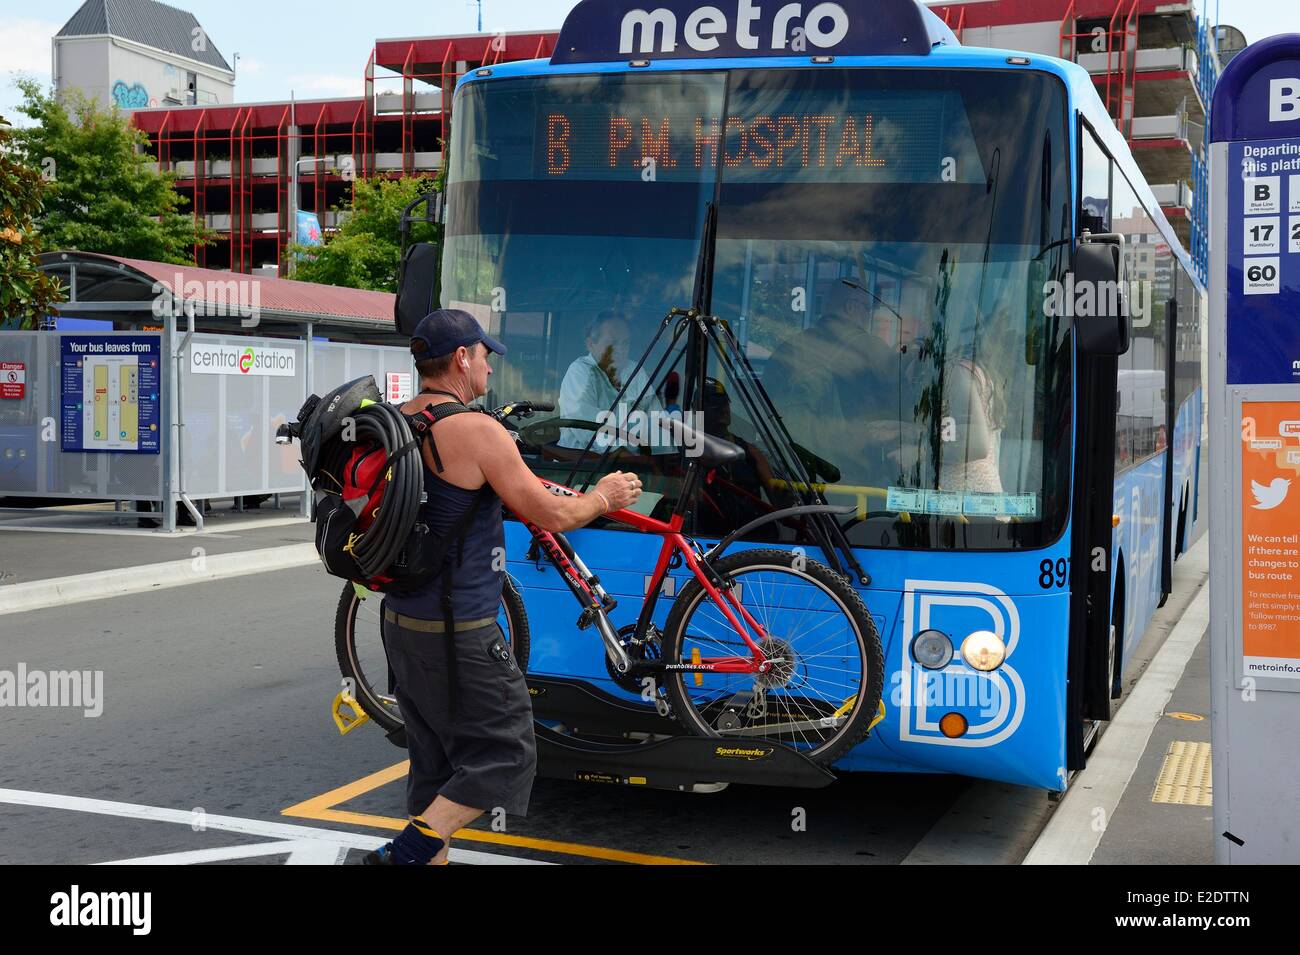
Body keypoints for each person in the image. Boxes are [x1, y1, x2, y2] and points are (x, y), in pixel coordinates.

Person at [359, 308, 642, 865]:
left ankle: (418, 856)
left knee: (435, 765)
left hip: (400, 625)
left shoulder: (396, 420)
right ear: (462, 359)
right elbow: (551, 515)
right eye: (485, 356)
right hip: (459, 633)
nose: (489, 368)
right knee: (507, 754)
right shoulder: (475, 430)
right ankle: (401, 856)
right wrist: (605, 496)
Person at [558, 312, 665, 453]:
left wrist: (661, 453)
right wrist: (623, 450)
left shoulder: (635, 370)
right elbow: (587, 430)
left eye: (625, 343)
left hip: (636, 462)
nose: (620, 350)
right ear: (591, 344)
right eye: (612, 343)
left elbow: (657, 420)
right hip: (583, 465)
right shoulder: (580, 372)